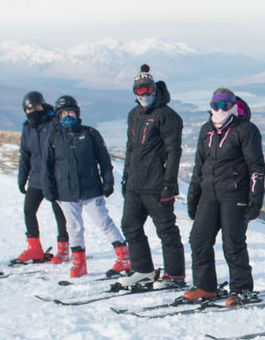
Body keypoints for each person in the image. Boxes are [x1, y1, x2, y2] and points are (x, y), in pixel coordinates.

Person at [184, 88, 265, 306]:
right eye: (216, 104)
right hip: (209, 196)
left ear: (234, 106)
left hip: (234, 196)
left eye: (225, 104)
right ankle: (205, 286)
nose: (220, 109)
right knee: (198, 240)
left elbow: (256, 167)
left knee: (232, 244)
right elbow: (199, 166)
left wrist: (255, 200)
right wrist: (193, 196)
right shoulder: (206, 130)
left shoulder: (246, 129)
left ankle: (241, 289)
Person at [42, 95, 127, 279]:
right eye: (63, 113)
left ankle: (124, 258)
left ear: (77, 113)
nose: (67, 115)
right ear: (58, 116)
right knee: (73, 228)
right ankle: (79, 264)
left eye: (70, 112)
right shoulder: (54, 137)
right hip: (65, 192)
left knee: (104, 223)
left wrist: (108, 182)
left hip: (91, 190)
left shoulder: (90, 134)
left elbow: (104, 160)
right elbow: (46, 166)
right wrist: (48, 190)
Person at [117, 65, 184, 288]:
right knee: (129, 225)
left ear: (155, 89)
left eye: (147, 90)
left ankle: (175, 275)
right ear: (134, 93)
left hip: (156, 184)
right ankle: (143, 270)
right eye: (139, 91)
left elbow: (174, 152)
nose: (144, 95)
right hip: (135, 184)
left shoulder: (167, 116)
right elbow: (130, 148)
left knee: (166, 229)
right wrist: (126, 177)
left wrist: (169, 184)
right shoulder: (133, 114)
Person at [16, 91, 69, 264]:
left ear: (43, 105)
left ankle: (63, 250)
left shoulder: (54, 122)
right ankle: (35, 249)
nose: (33, 112)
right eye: (28, 110)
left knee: (59, 213)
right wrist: (22, 178)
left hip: (55, 178)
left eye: (36, 108)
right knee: (29, 210)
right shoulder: (27, 127)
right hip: (36, 177)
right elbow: (25, 155)